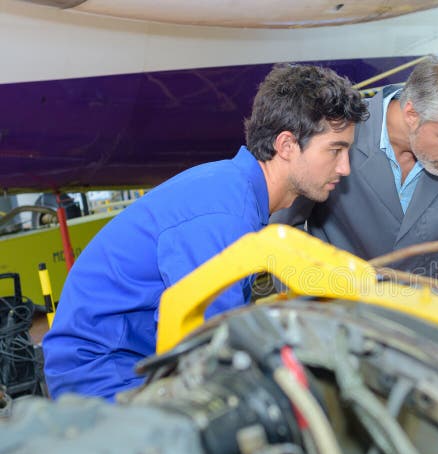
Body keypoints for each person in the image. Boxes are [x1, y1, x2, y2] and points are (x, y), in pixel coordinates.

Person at [43, 64, 369, 401]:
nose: (344, 168)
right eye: (335, 150)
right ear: (286, 145)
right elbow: (209, 354)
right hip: (104, 375)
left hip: (131, 358)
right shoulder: (224, 215)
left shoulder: (236, 194)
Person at [271, 51, 438, 277]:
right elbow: (281, 232)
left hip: (427, 311)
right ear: (412, 114)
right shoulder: (338, 134)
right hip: (337, 311)